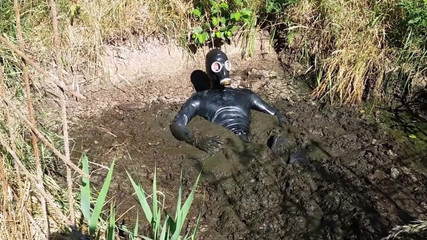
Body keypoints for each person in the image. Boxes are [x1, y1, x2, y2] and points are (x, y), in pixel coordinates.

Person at [170, 49, 287, 153]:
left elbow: (276, 114)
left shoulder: (246, 95)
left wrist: (282, 131)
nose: (223, 70)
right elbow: (177, 124)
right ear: (209, 70)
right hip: (226, 145)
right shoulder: (200, 99)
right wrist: (196, 141)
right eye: (217, 67)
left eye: (226, 65)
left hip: (249, 140)